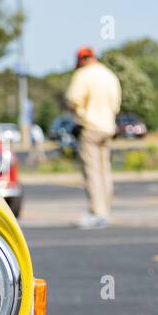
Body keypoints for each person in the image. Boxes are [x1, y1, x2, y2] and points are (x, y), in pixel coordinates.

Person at [65, 47, 122, 228]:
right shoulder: (109, 75)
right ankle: (106, 209)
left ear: (81, 60)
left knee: (92, 172)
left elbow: (74, 101)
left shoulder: (83, 75)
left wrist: (79, 117)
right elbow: (116, 104)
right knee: (105, 170)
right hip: (108, 127)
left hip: (90, 128)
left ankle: (97, 213)